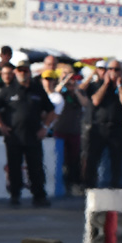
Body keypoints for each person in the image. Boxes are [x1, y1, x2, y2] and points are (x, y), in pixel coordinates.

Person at [0, 60, 56, 207]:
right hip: (14, 135)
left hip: (33, 135)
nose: (23, 73)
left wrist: (45, 127)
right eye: (20, 70)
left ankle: (39, 195)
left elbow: (51, 110)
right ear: (16, 72)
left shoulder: (37, 90)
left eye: (25, 70)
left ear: (29, 72)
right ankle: (15, 194)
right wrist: (0, 124)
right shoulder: (8, 90)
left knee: (36, 167)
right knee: (14, 167)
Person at [84, 59, 122, 188]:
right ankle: (90, 185)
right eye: (110, 69)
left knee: (117, 159)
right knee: (93, 158)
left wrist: (119, 86)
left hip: (116, 127)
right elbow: (95, 101)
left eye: (116, 69)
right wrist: (106, 84)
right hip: (99, 127)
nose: (113, 72)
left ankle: (115, 185)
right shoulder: (97, 84)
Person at [50, 63, 88, 195]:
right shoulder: (61, 91)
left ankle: (72, 184)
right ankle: (59, 184)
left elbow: (85, 103)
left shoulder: (78, 91)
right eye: (66, 74)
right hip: (60, 130)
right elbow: (55, 93)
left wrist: (76, 90)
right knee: (60, 159)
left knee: (74, 160)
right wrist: (64, 81)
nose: (70, 79)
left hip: (74, 130)